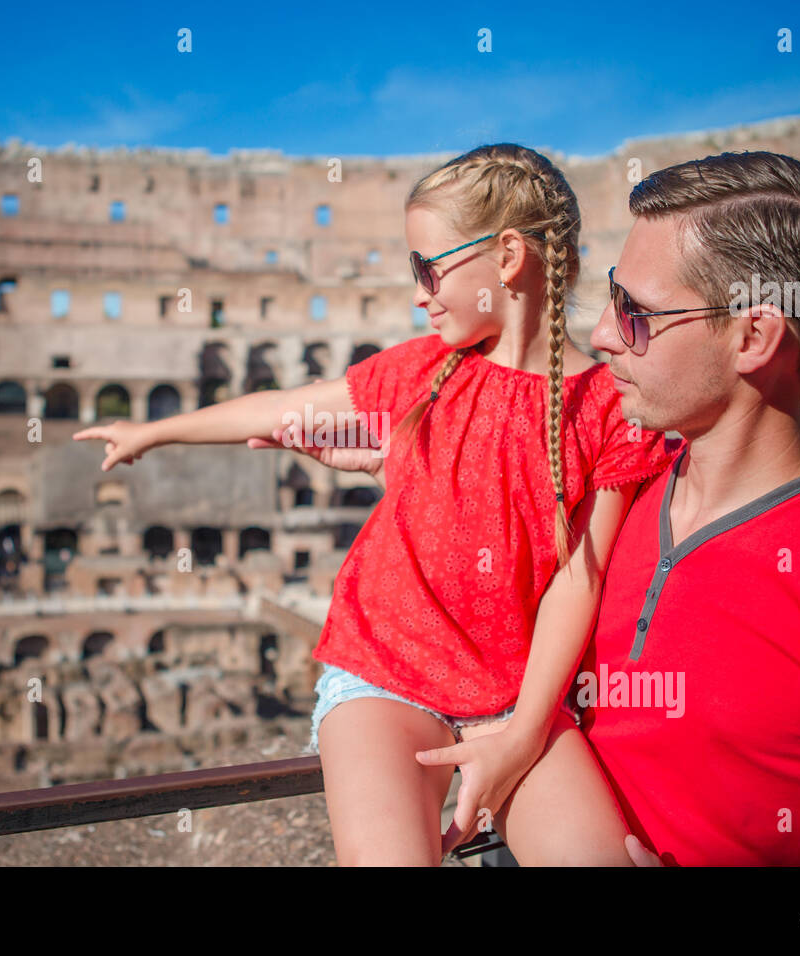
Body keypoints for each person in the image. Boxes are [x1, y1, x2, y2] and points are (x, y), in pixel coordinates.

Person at [297, 150, 800, 866]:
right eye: (611, 297)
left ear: (754, 337)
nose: (598, 334)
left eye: (636, 313)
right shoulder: (613, 500)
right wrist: (415, 460)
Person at [74, 143, 674, 865]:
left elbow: (581, 577)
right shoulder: (418, 372)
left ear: (509, 256)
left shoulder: (608, 407)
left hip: (517, 695)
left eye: (429, 267)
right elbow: (283, 408)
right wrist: (156, 432)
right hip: (385, 673)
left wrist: (522, 732)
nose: (418, 291)